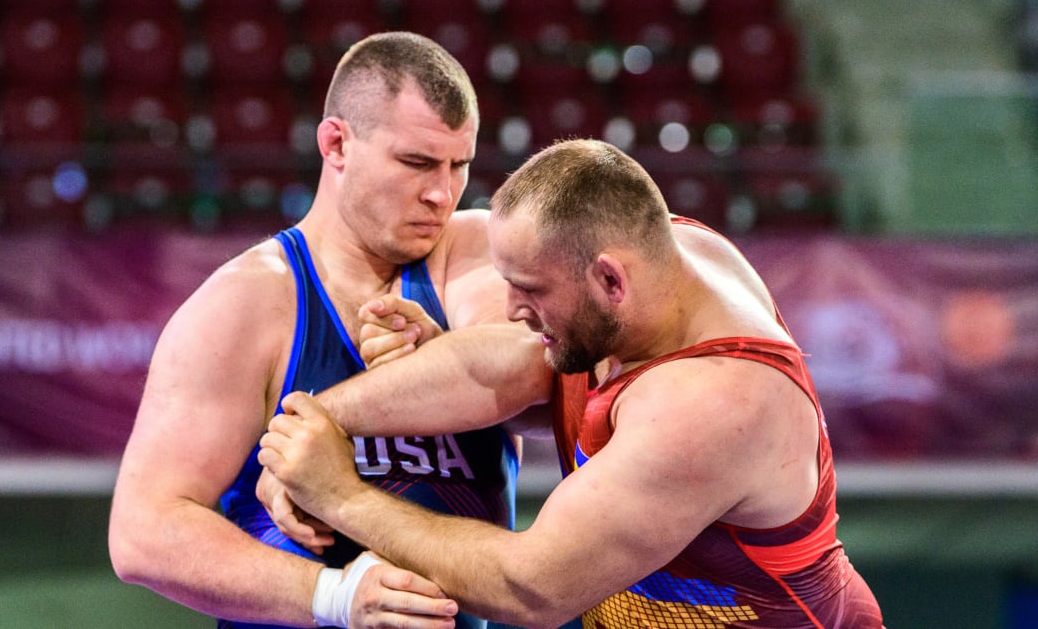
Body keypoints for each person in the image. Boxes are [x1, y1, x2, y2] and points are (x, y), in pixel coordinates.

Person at [258, 139, 885, 628]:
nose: (510, 310)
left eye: (529, 290)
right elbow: (531, 368)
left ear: (610, 281)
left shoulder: (714, 403)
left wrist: (340, 494)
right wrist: (315, 422)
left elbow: (533, 587)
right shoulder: (653, 265)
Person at [108, 32, 527, 629]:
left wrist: (428, 365)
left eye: (458, 165)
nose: (440, 192)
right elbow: (143, 532)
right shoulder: (247, 304)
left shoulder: (471, 253)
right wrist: (334, 596)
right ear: (336, 144)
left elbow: (526, 360)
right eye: (416, 162)